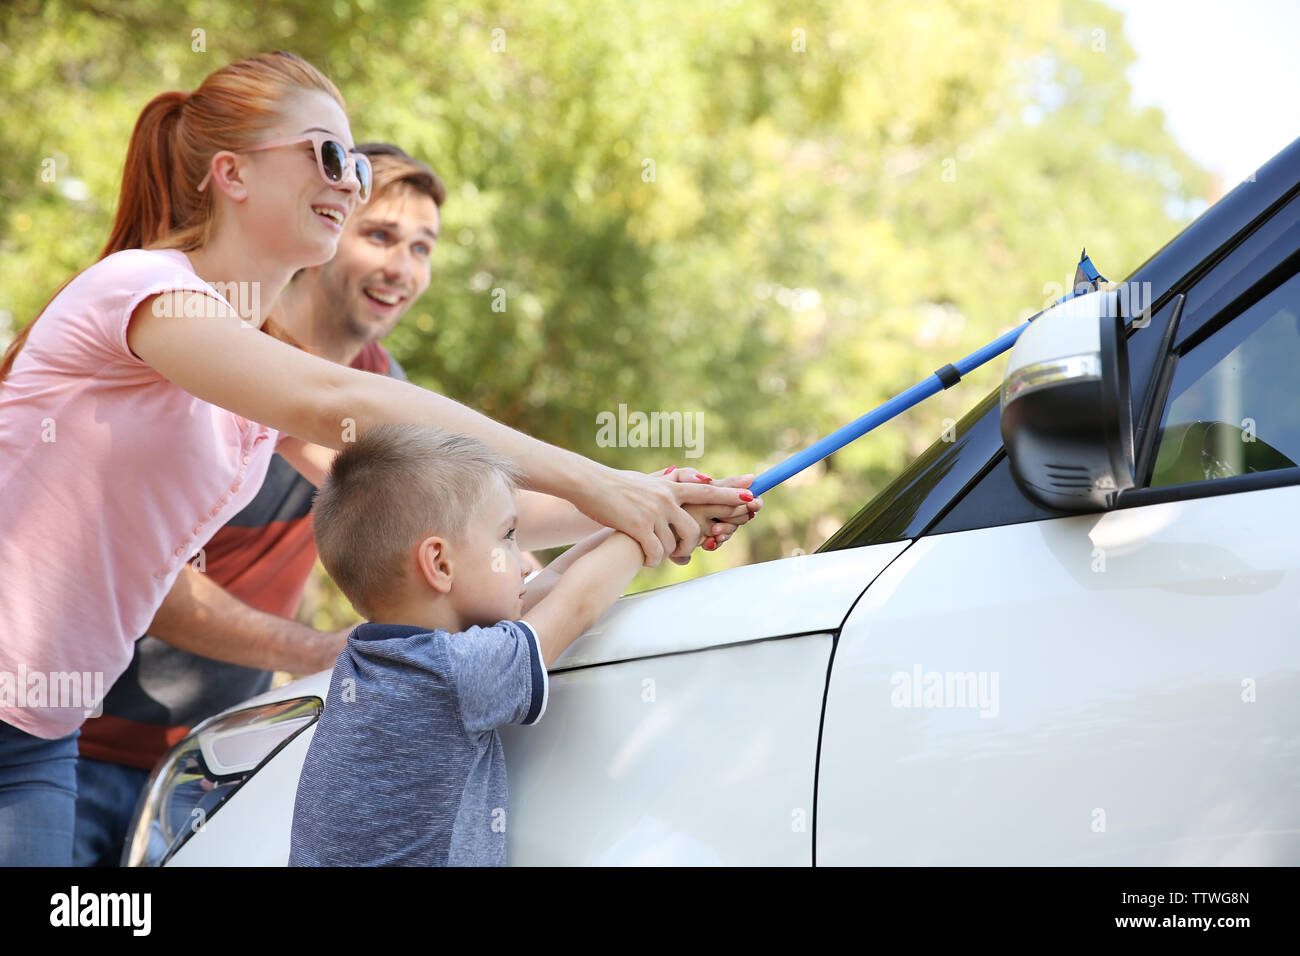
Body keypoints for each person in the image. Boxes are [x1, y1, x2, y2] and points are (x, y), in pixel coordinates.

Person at [0, 51, 757, 866]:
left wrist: (646, 493)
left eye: (356, 163)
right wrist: (598, 481)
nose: (352, 183)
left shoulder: (248, 351)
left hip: (41, 735)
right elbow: (341, 405)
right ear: (233, 174)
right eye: (328, 155)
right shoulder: (145, 291)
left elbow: (453, 504)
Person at [290, 425, 661, 866]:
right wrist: (656, 523)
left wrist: (657, 505)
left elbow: (555, 585)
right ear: (441, 564)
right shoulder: (455, 672)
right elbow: (576, 603)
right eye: (507, 536)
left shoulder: (371, 660)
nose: (522, 557)